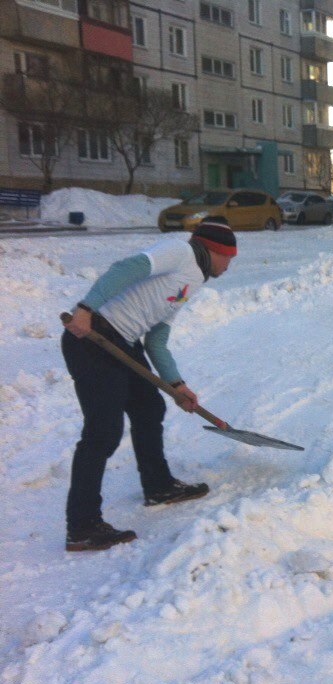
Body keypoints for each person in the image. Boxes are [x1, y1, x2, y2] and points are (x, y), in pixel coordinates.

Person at [61, 222, 237, 551]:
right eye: (229, 258)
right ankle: (82, 526)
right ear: (215, 250)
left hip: (123, 342)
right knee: (103, 431)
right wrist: (85, 309)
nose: (229, 265)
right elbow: (126, 268)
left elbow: (157, 339)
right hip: (93, 335)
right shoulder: (180, 251)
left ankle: (158, 486)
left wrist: (177, 384)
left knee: (149, 407)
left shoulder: (194, 279)